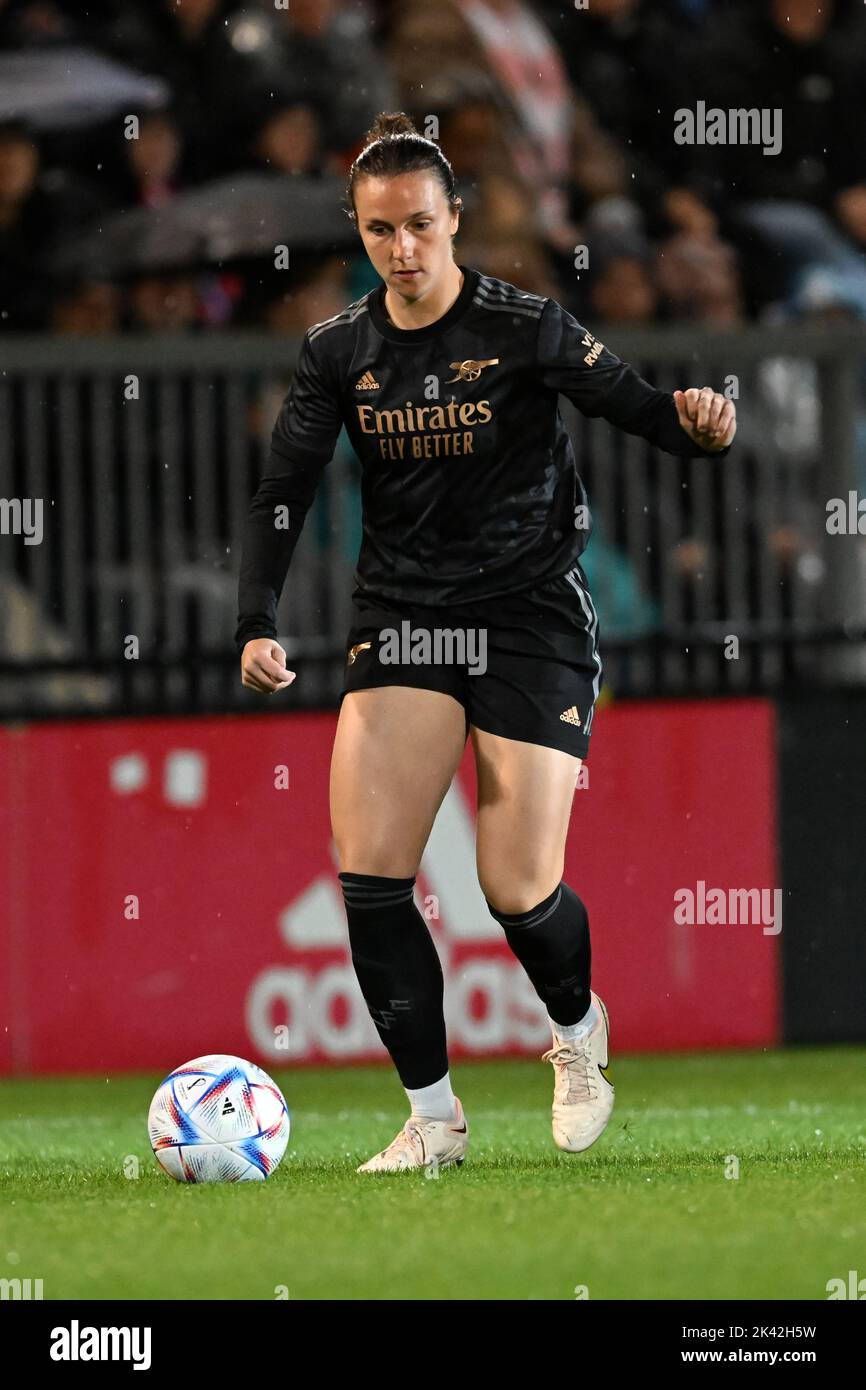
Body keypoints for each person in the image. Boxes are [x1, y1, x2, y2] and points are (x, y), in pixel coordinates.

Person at [235, 113, 736, 1173]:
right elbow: (282, 494)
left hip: (526, 617)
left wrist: (697, 421)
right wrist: (257, 620)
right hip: (403, 621)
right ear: (358, 233)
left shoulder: (524, 325)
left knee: (514, 889)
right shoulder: (337, 352)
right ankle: (433, 1121)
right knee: (370, 877)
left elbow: (637, 406)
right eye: (378, 232)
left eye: (419, 224)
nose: (401, 250)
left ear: (455, 218)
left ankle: (574, 1031)